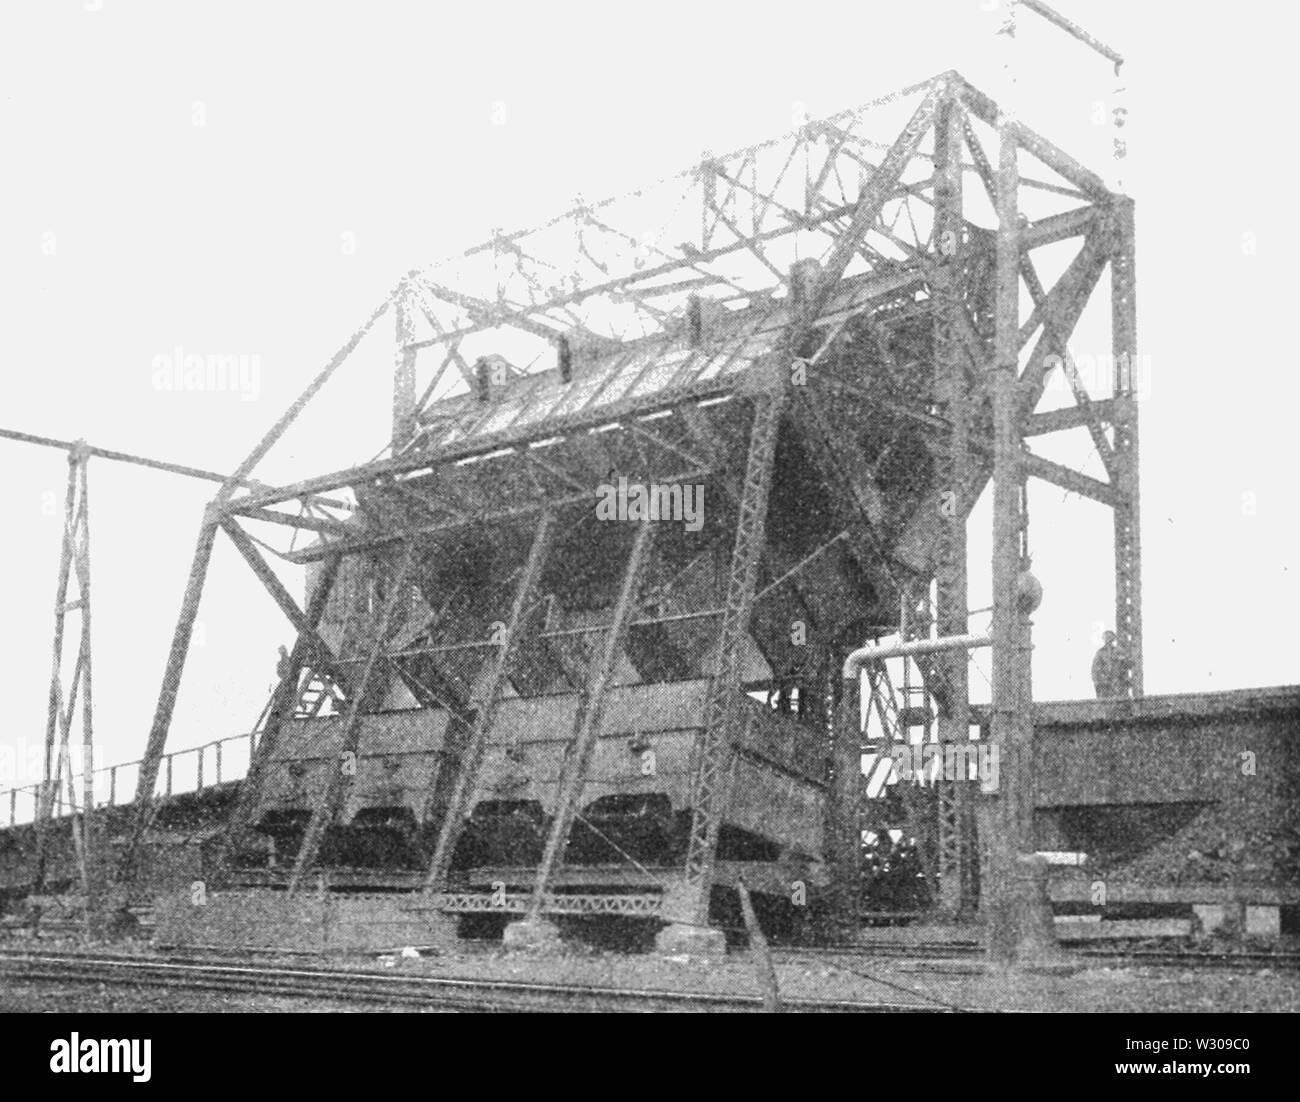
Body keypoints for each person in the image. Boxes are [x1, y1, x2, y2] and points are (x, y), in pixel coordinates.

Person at [1091, 631, 1127, 697]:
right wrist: (1098, 682)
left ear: (1113, 639)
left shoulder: (1118, 651)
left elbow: (1124, 665)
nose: (1108, 640)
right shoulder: (1100, 652)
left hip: (1116, 683)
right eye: (1107, 638)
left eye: (1110, 638)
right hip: (1104, 684)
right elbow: (1095, 670)